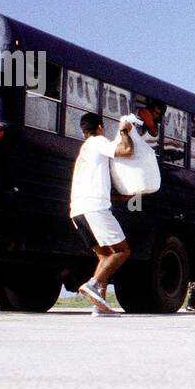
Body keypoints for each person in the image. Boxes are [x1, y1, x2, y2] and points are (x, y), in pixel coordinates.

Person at [70, 112, 135, 316]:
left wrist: (117, 198)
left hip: (77, 210)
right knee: (121, 251)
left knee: (105, 257)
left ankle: (100, 307)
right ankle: (92, 284)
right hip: (94, 208)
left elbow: (92, 183)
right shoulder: (97, 141)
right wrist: (124, 130)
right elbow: (126, 150)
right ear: (99, 127)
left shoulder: (85, 150)